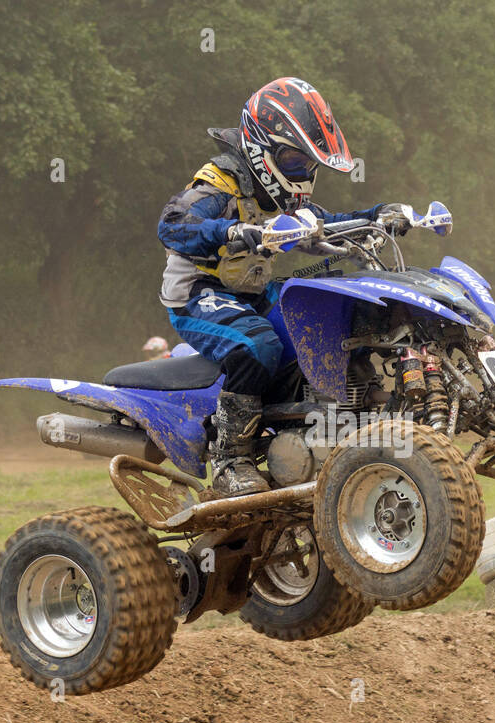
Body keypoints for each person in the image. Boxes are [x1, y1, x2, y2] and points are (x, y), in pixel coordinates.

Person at [157, 77, 411, 496]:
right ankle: (230, 459)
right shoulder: (217, 184)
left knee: (335, 308)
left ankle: (340, 416)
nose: (302, 172)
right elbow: (173, 224)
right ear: (260, 149)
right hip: (201, 294)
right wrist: (234, 231)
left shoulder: (283, 199)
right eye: (293, 158)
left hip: (254, 292)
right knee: (257, 347)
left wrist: (377, 214)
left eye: (308, 162)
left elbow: (326, 224)